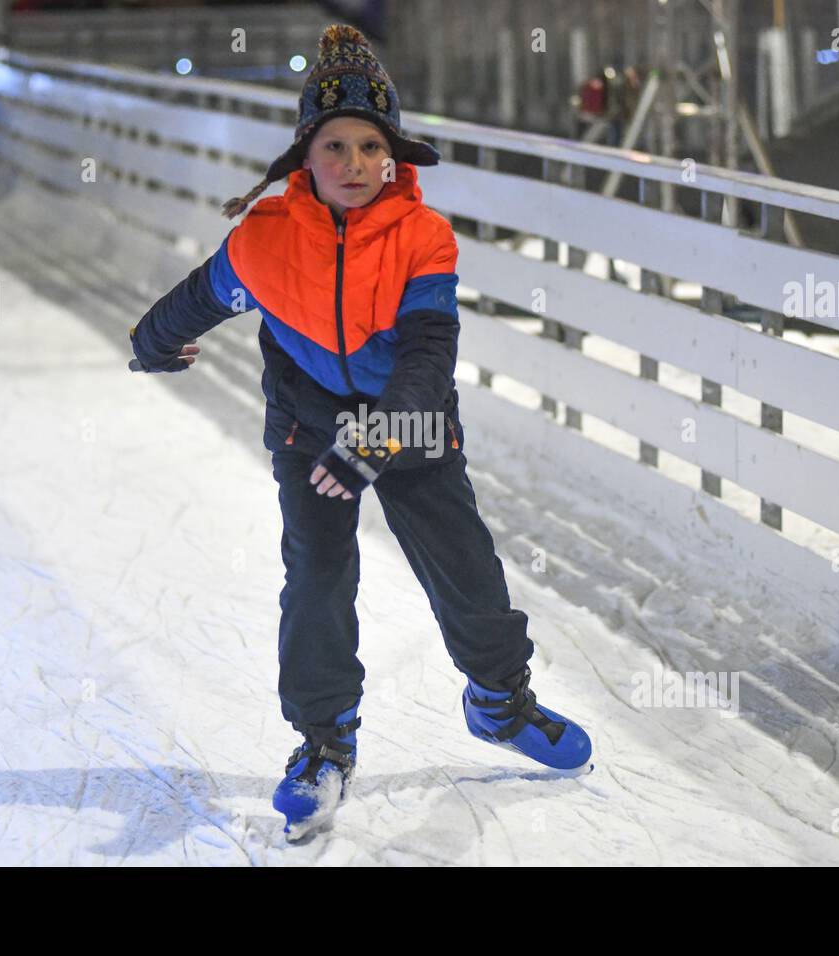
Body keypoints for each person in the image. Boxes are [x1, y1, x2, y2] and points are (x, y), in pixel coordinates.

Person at [129, 24, 591, 842]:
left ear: (393, 156)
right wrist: (155, 346)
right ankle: (323, 740)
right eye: (333, 144)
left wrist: (375, 441)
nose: (350, 163)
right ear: (304, 154)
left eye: (368, 146)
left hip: (409, 424)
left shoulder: (423, 238)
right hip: (309, 428)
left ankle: (499, 702)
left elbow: (427, 357)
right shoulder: (265, 240)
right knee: (317, 575)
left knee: (465, 567)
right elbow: (193, 301)